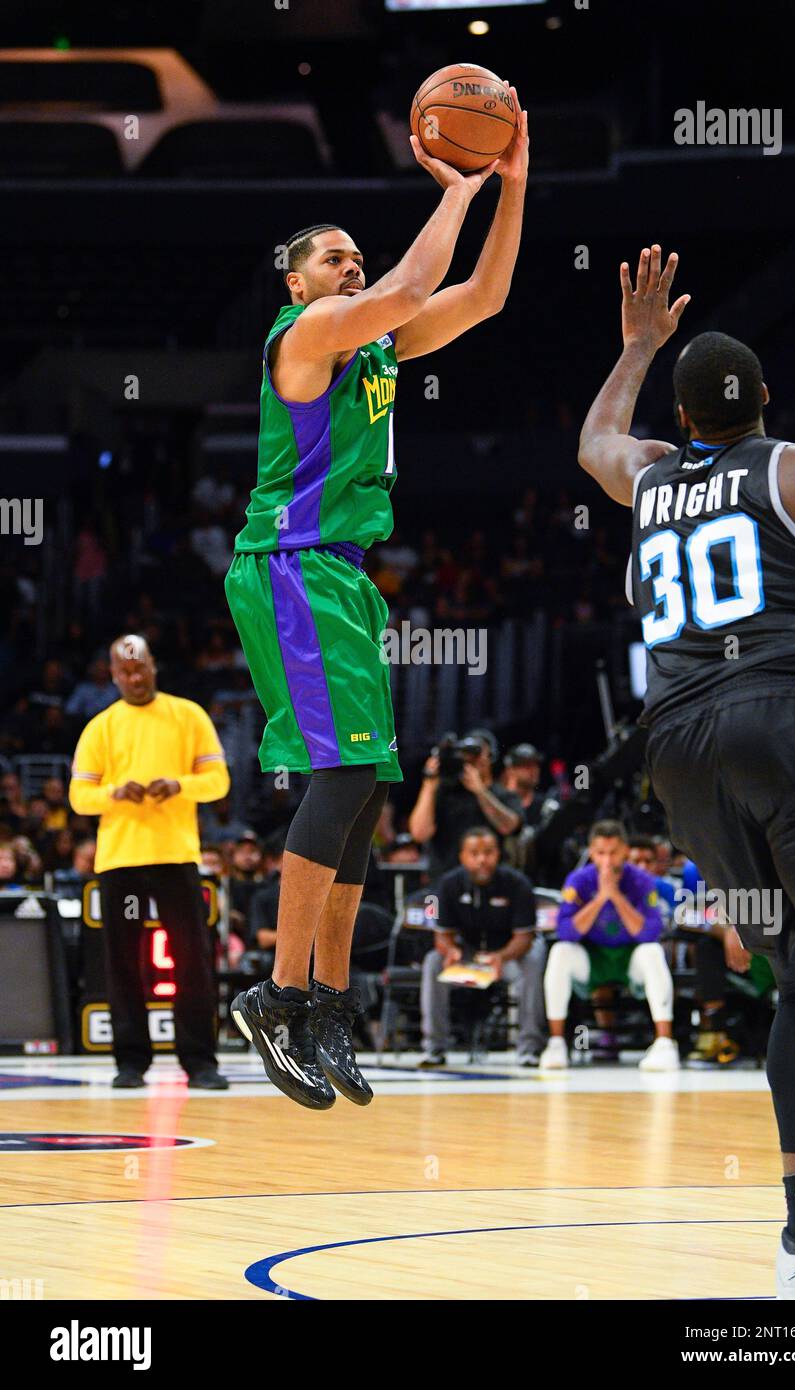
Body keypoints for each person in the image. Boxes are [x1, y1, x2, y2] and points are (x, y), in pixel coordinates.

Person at [226, 96, 529, 1110]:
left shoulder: (378, 350)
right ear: (295, 281)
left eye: (354, 258)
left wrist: (511, 183)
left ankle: (322, 1001)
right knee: (341, 770)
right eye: (333, 259)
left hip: (343, 575)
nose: (350, 268)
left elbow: (479, 298)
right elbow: (411, 280)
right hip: (292, 562)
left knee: (364, 788)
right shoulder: (303, 336)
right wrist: (457, 185)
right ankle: (273, 991)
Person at [578, 242, 795, 1297]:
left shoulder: (647, 475)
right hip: (785, 719)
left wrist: (636, 346)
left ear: (684, 422)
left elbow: (593, 438)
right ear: (766, 400)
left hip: (680, 750)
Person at [68, 634, 230, 1091]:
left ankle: (200, 1062)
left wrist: (179, 785)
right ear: (114, 673)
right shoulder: (101, 726)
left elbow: (218, 780)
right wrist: (114, 794)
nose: (135, 677)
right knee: (123, 961)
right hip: (121, 858)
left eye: (141, 668)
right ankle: (130, 1061)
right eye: (126, 671)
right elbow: (80, 796)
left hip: (176, 853)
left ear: (154, 666)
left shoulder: (188, 715)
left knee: (192, 959)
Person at [539, 820, 676, 1071]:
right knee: (560, 952)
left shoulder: (643, 881)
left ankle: (665, 1043)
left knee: (653, 952)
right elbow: (566, 931)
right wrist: (600, 898)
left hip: (629, 957)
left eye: (613, 853)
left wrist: (615, 896)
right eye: (601, 853)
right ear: (591, 852)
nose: (607, 860)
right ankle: (556, 1042)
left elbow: (649, 932)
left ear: (625, 851)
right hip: (593, 958)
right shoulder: (578, 880)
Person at [419, 827, 546, 1068]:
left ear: (498, 854)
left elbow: (525, 938)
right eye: (474, 853)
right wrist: (451, 951)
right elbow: (442, 936)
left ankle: (529, 1048)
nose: (482, 859)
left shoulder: (517, 883)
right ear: (462, 856)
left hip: (509, 956)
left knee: (533, 960)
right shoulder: (449, 884)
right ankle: (434, 1048)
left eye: (488, 852)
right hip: (468, 954)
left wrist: (501, 957)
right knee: (433, 962)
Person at [408, 729, 524, 886]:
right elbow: (419, 834)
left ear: (490, 757)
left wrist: (480, 791)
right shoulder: (442, 792)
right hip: (444, 883)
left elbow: (509, 827)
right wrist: (429, 785)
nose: (470, 759)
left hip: (491, 884)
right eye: (466, 753)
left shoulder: (503, 795)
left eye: (476, 753)